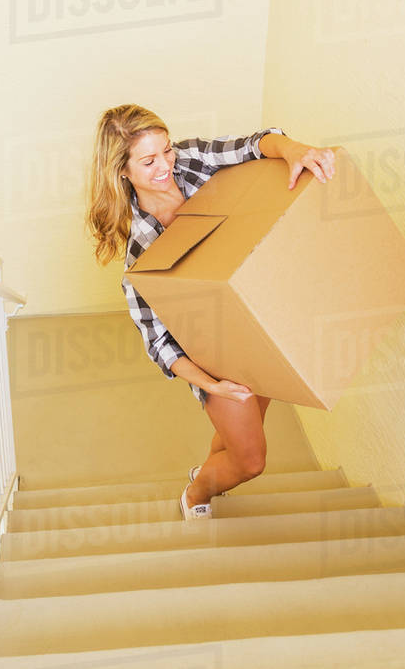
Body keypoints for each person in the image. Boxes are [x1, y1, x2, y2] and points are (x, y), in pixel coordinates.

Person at [85, 104, 337, 520]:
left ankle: (209, 470)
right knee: (251, 460)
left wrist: (294, 150)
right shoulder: (140, 257)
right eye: (148, 161)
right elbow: (161, 345)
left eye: (165, 150)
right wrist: (212, 387)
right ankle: (197, 491)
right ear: (122, 171)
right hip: (214, 358)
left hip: (258, 323)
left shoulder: (191, 161)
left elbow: (255, 145)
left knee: (236, 437)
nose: (166, 164)